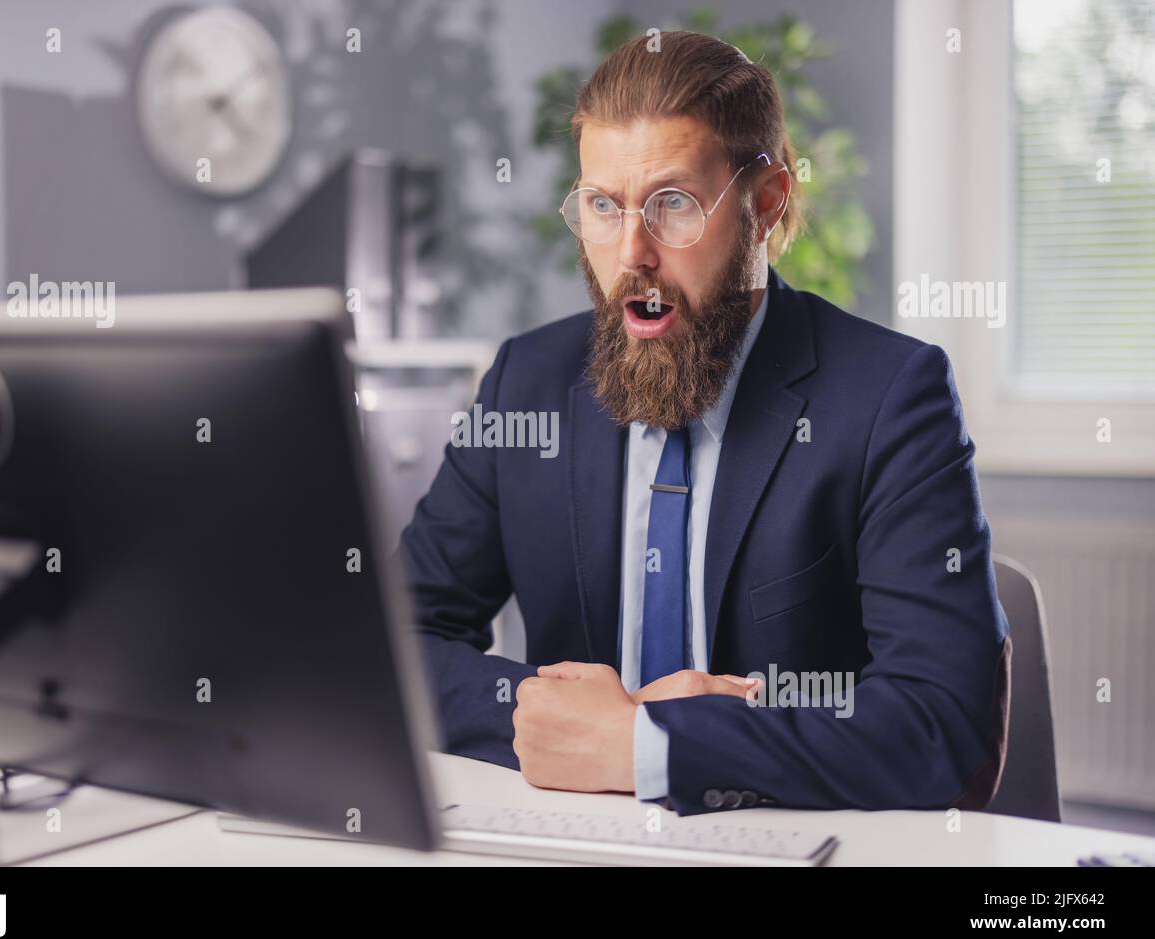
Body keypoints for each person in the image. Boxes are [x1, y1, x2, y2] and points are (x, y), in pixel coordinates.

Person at [397, 31, 1010, 815]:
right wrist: (552, 718)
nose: (632, 253)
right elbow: (393, 644)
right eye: (601, 207)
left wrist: (656, 742)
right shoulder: (529, 385)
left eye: (673, 204)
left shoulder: (891, 397)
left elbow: (942, 728)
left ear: (766, 205)